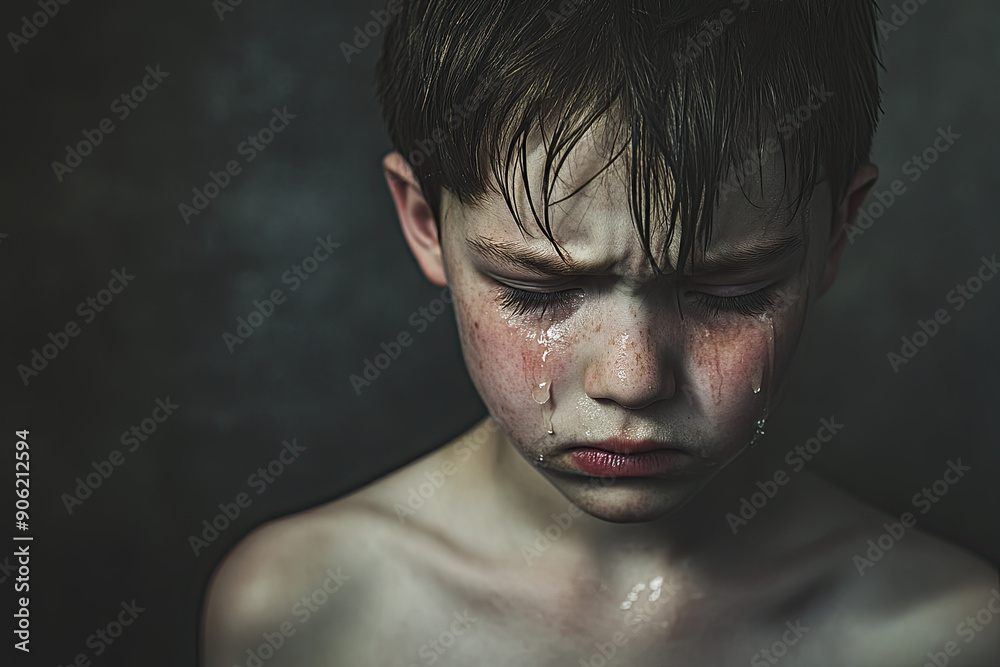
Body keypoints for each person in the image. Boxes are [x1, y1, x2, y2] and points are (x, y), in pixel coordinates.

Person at [202, 2, 999, 665]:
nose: (631, 377)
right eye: (537, 288)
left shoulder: (946, 635)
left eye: (729, 290)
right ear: (423, 222)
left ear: (836, 233)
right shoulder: (299, 610)